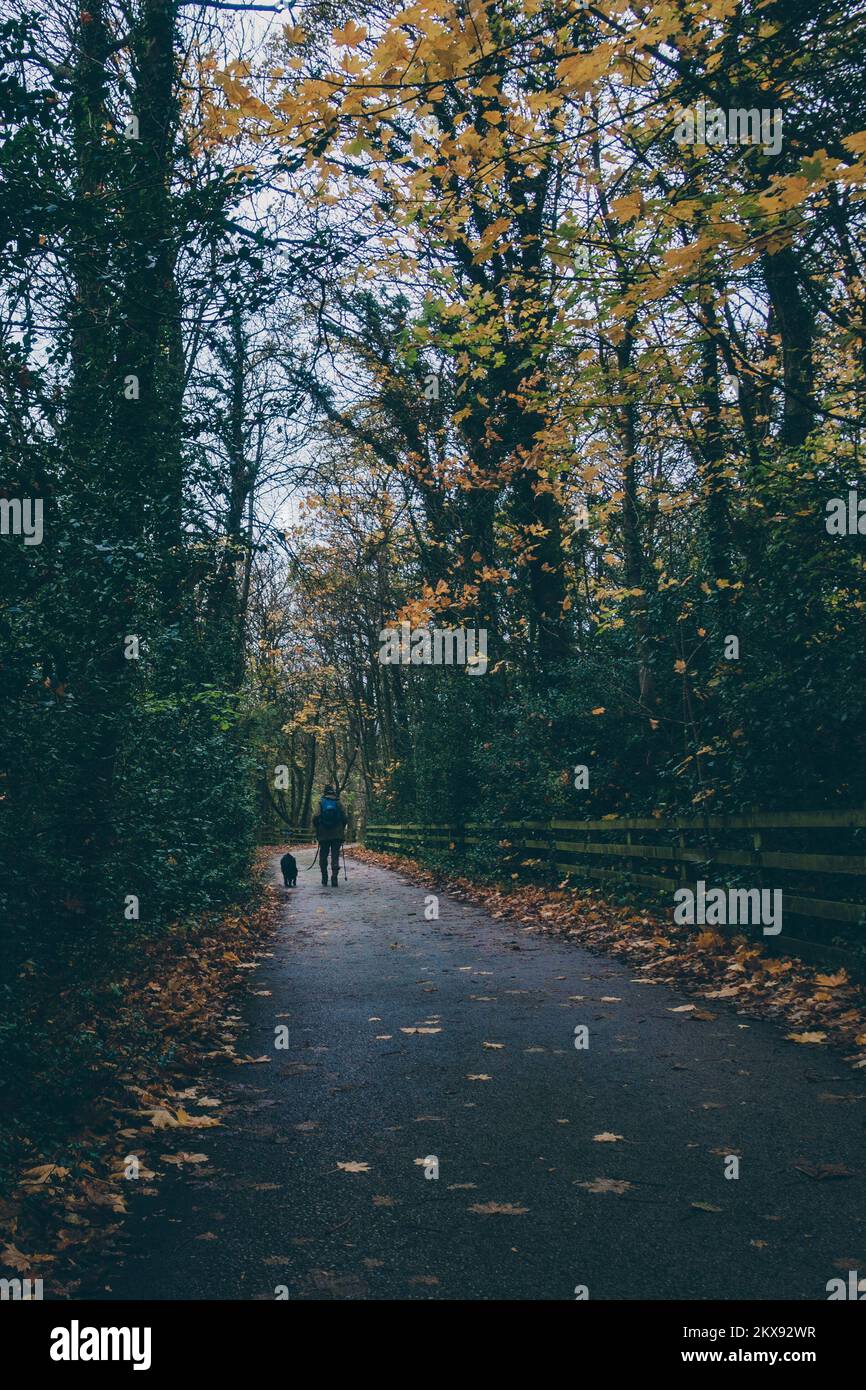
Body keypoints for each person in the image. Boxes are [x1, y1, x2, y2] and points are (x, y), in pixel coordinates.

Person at [313, 784, 347, 886]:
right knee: (335, 855)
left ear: (325, 792)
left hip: (323, 834)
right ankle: (334, 878)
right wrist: (341, 828)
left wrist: (317, 827)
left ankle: (324, 878)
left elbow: (315, 816)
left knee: (323, 855)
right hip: (337, 834)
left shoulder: (321, 802)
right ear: (333, 792)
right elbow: (344, 818)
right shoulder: (338, 802)